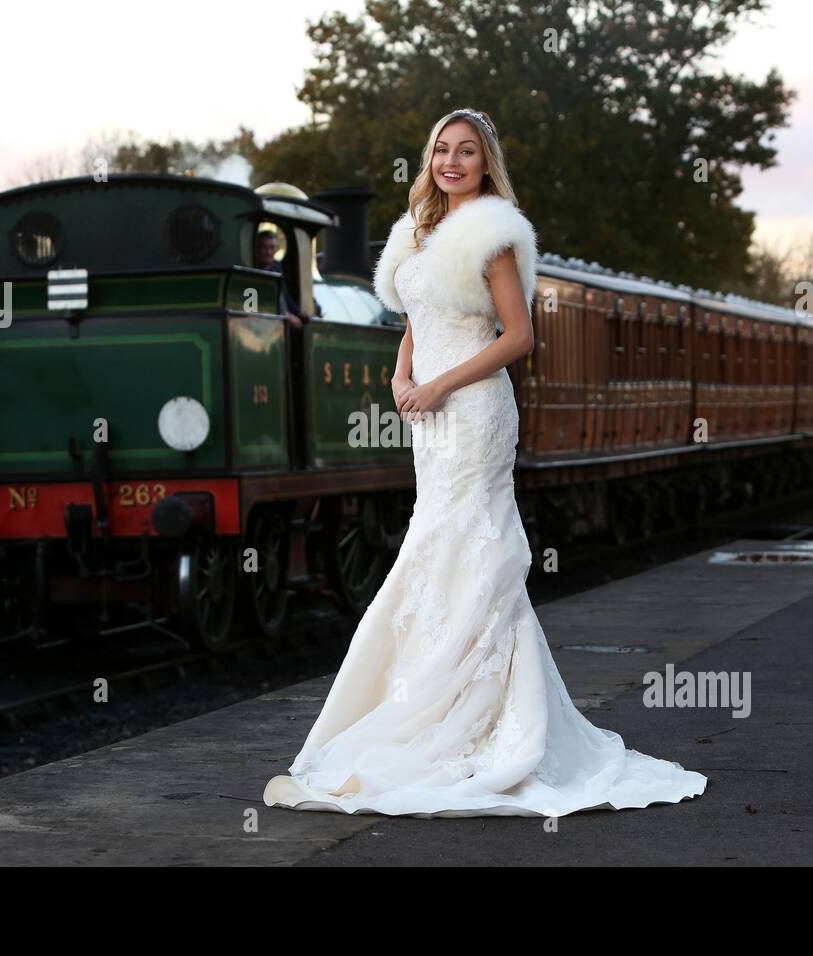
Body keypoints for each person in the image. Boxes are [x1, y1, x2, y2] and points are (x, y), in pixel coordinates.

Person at [263, 108, 708, 817]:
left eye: (466, 151)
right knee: (435, 543)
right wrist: (401, 377)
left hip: (472, 412)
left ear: (485, 162)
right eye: (442, 149)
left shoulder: (493, 233)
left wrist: (442, 384)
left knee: (472, 545)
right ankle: (433, 702)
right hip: (428, 415)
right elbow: (414, 323)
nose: (452, 161)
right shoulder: (414, 234)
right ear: (430, 159)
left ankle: (485, 719)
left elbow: (521, 335)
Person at [254, 227, 308, 328]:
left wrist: (299, 312)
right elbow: (260, 301)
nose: (268, 252)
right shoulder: (252, 269)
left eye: (272, 247)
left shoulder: (277, 267)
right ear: (257, 248)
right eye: (264, 247)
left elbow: (284, 294)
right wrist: (286, 315)